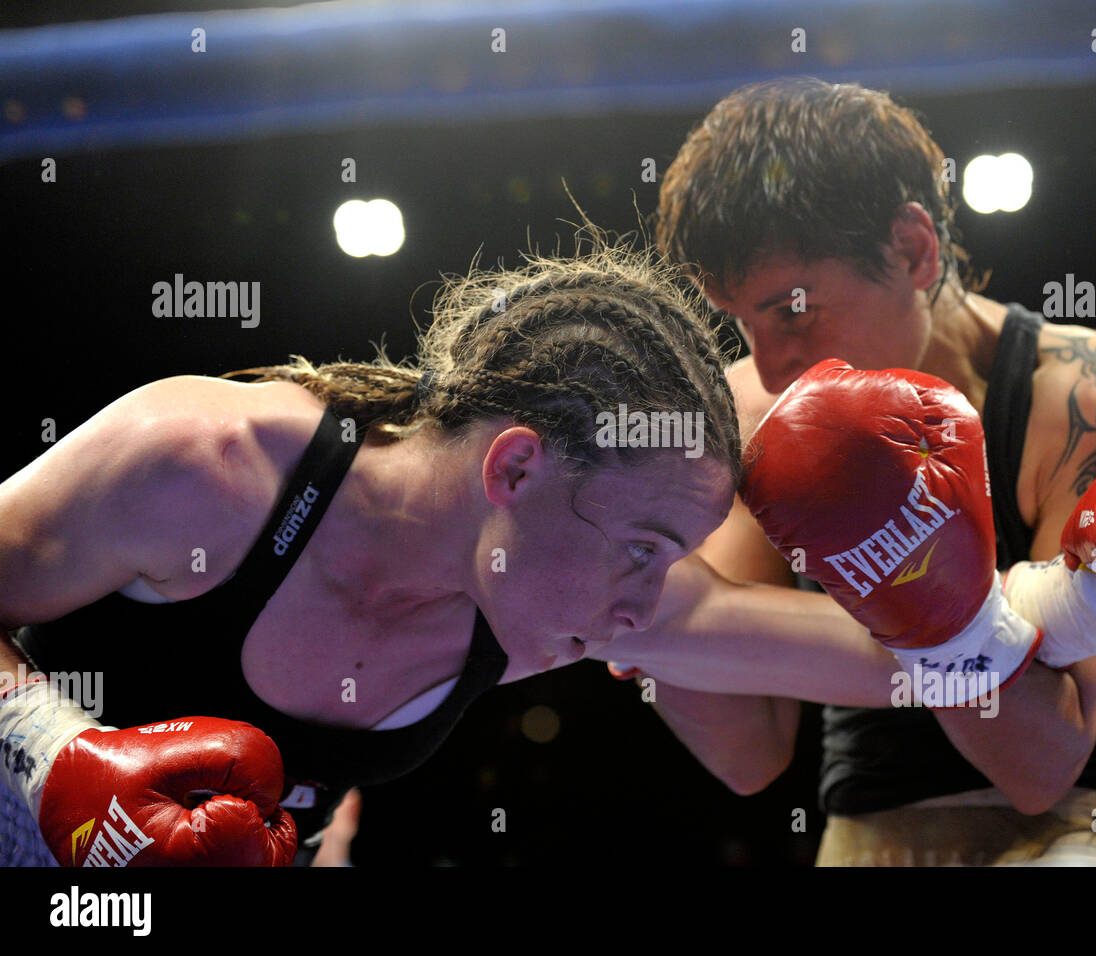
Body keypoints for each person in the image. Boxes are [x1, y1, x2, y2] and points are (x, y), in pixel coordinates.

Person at [596, 76, 1096, 865]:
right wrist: (634, 595)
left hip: (1080, 827)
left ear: (912, 249)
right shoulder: (752, 409)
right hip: (869, 838)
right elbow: (748, 755)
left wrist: (919, 599)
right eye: (741, 322)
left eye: (794, 310)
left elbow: (1042, 766)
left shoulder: (1085, 396)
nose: (769, 361)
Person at [0, 241, 740, 866]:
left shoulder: (541, 599)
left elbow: (763, 751)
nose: (643, 610)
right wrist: (52, 752)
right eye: (644, 548)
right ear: (515, 469)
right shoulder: (206, 465)